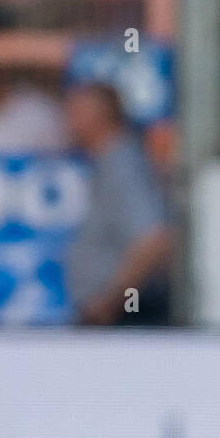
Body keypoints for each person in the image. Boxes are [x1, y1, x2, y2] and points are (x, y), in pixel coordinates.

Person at [62, 82, 172, 324]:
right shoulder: (104, 162)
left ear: (99, 116)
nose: (67, 121)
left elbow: (154, 238)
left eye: (75, 113)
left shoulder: (121, 164)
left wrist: (109, 302)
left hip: (126, 319)